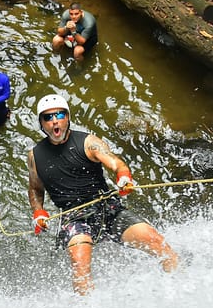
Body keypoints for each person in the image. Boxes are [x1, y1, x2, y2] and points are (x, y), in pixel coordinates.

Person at [27, 94, 178, 295]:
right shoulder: (35, 155)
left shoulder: (88, 142)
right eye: (48, 117)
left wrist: (123, 177)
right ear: (42, 123)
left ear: (67, 117)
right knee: (80, 265)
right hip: (74, 216)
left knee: (156, 241)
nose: (55, 121)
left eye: (60, 114)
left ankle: (182, 285)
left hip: (107, 207)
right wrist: (38, 212)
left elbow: (115, 163)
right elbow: (35, 188)